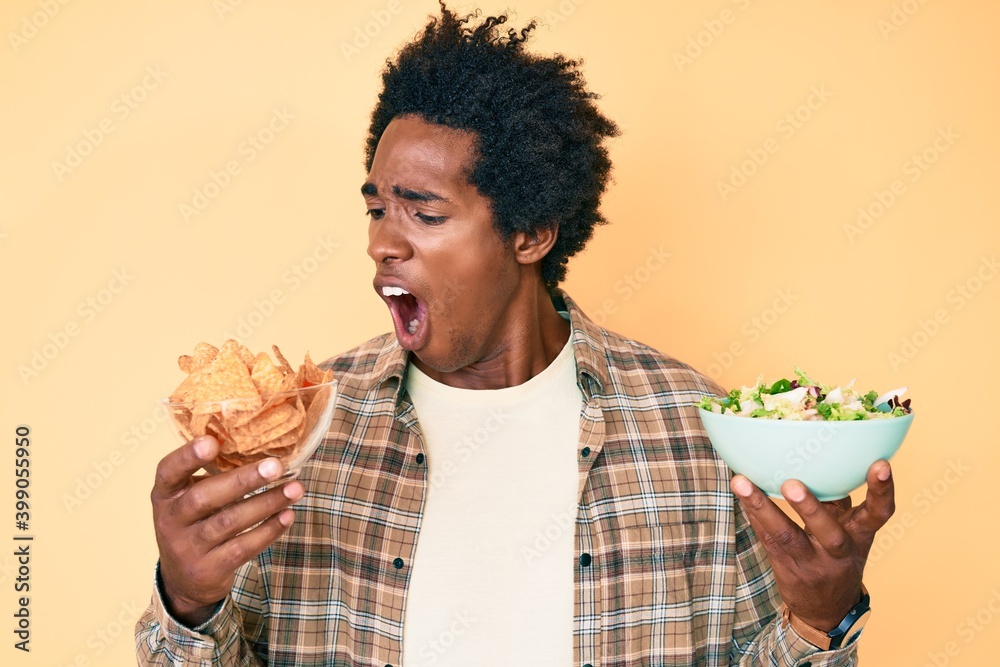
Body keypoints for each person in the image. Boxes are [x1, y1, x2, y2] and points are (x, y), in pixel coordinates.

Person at [135, 4, 895, 665]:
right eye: (377, 208)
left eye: (423, 212)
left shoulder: (692, 429)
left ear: (530, 232)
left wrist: (819, 618)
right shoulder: (307, 433)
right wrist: (189, 601)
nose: (382, 243)